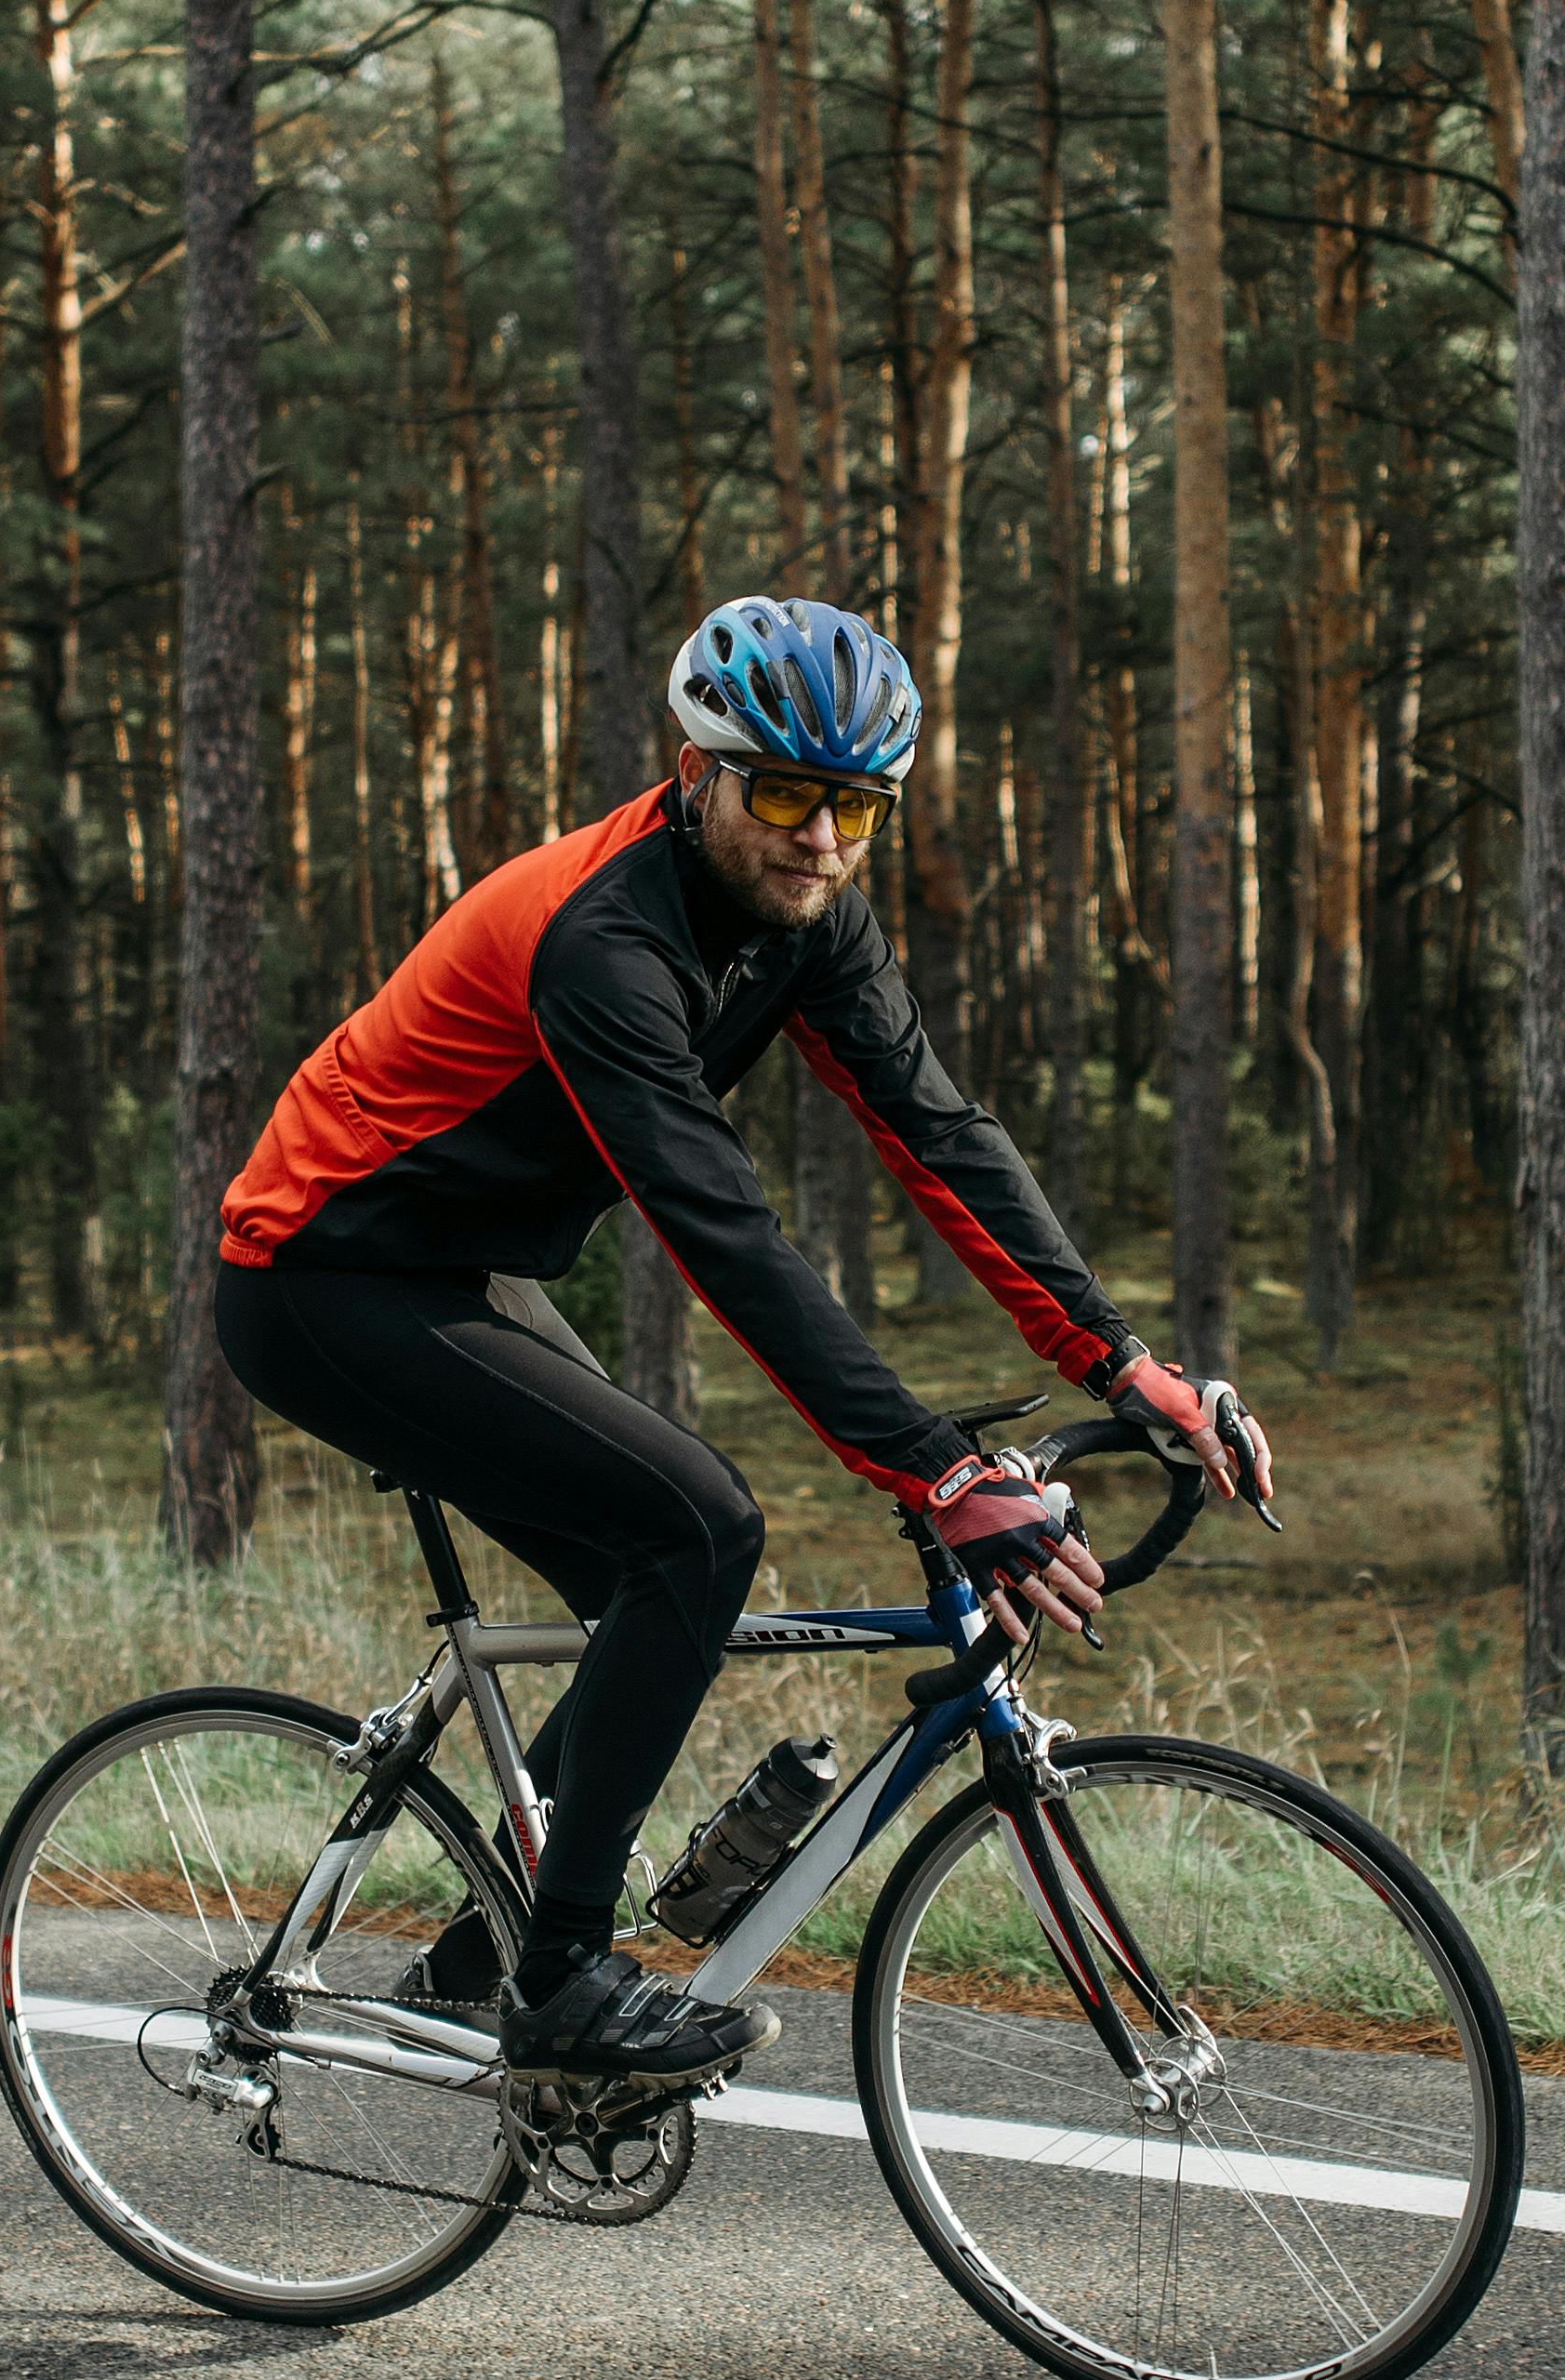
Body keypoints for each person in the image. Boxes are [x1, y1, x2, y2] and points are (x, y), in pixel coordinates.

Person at [211, 597, 1267, 2085]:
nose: (819, 841)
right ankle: (565, 1978)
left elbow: (940, 1137)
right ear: (698, 768)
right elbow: (720, 1227)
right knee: (700, 1526)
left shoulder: (813, 917)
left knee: (661, 1586)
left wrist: (1119, 1361)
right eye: (784, 794)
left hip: (456, 1266)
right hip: (319, 1273)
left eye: (857, 806)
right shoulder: (602, 938)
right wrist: (931, 1468)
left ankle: (483, 1955)